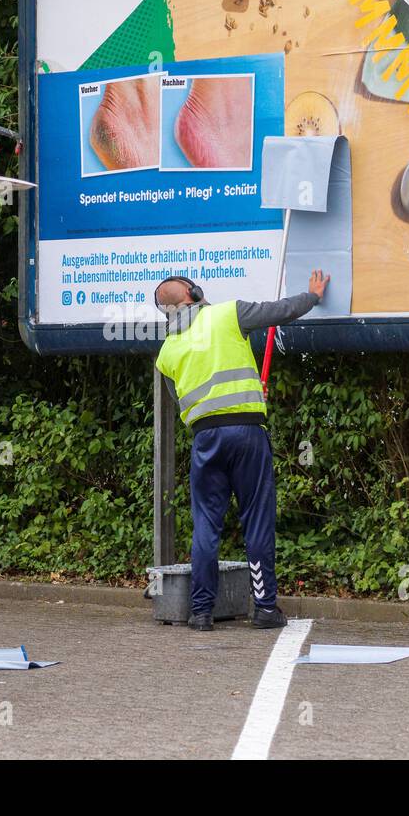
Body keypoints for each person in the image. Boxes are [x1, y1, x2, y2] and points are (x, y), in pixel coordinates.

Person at [154, 269, 330, 631]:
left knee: (206, 525)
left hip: (206, 441)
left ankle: (201, 612)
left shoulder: (166, 353)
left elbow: (187, 404)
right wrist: (312, 296)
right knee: (256, 520)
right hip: (247, 434)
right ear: (193, 293)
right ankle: (265, 608)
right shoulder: (227, 313)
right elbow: (278, 311)